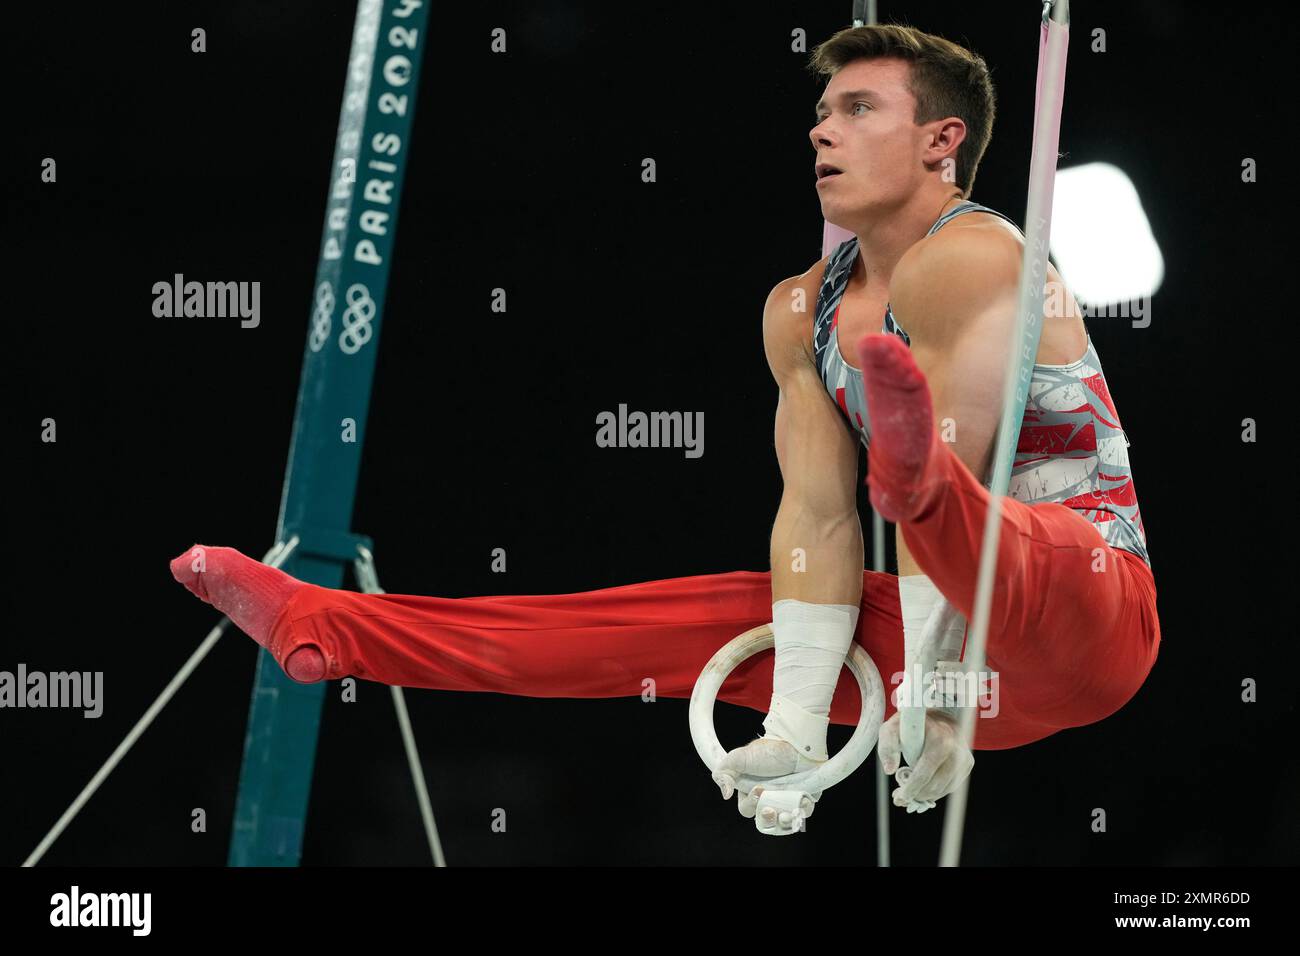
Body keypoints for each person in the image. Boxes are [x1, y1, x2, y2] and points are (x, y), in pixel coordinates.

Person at [170, 24, 1159, 820]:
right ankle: (335, 625)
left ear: (944, 139)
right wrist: (796, 724)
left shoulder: (980, 254)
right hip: (942, 640)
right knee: (671, 621)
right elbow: (815, 518)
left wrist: (938, 696)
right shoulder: (796, 309)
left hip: (1083, 601)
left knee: (963, 498)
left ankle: (906, 479)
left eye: (859, 109)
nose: (821, 132)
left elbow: (971, 480)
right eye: (820, 113)